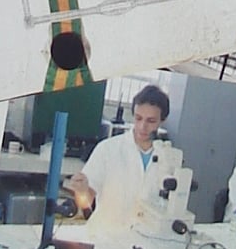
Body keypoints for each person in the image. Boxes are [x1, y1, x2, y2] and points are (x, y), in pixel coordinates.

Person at [66, 84, 173, 240]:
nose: (142, 126)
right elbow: (86, 201)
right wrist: (82, 190)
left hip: (147, 241)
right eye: (138, 118)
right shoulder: (108, 149)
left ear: (162, 121)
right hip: (106, 237)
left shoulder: (168, 157)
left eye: (151, 121)